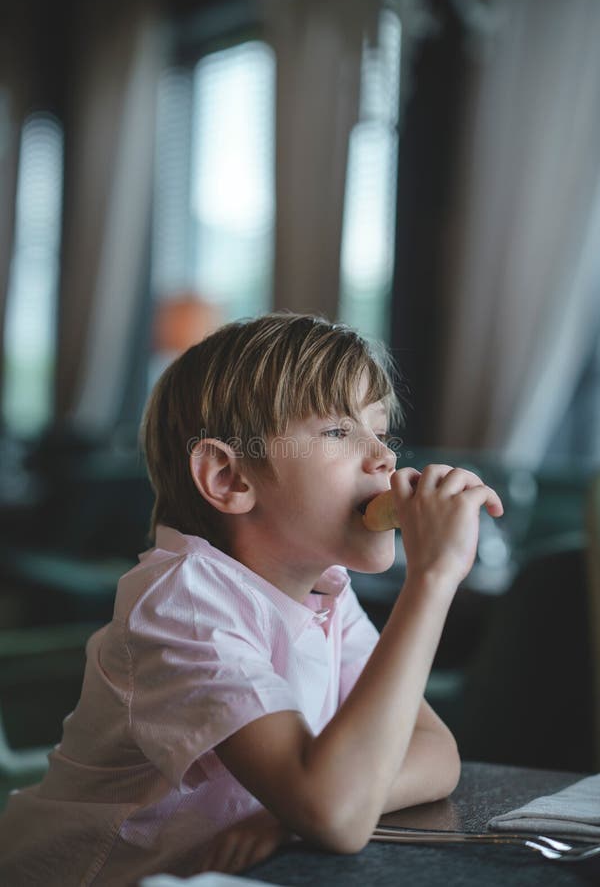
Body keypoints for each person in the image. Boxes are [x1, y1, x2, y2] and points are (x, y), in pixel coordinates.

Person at [0, 313, 503, 885]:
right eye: (340, 432)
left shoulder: (328, 592)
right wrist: (431, 580)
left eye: (382, 434)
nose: (385, 459)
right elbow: (336, 812)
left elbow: (437, 751)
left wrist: (288, 816)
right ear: (228, 479)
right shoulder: (182, 600)